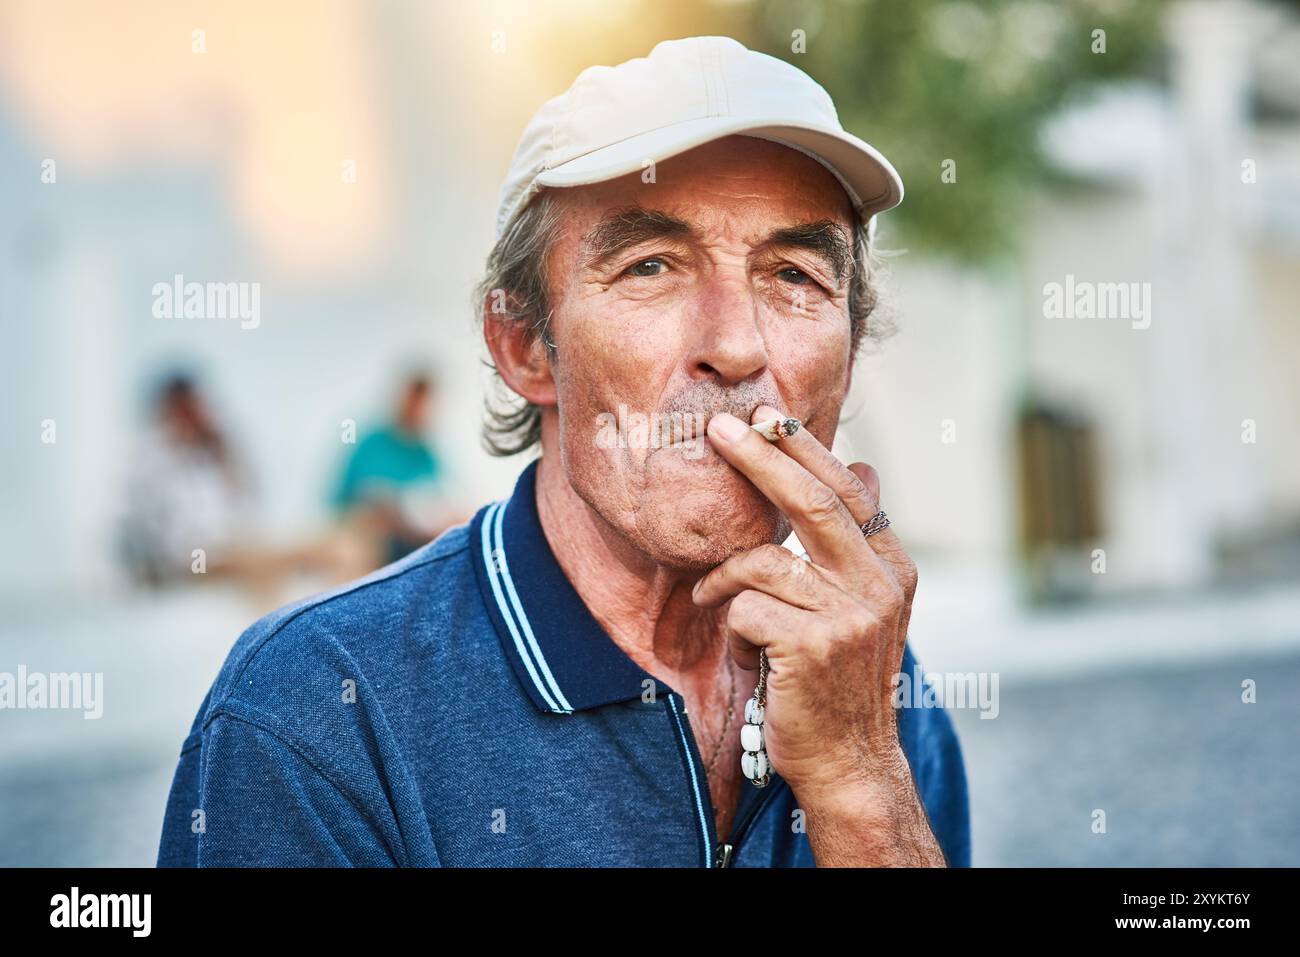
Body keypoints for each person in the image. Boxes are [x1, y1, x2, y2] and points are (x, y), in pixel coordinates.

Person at [158, 36, 971, 867]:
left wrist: (860, 782)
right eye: (650, 265)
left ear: (851, 342)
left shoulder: (865, 676)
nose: (735, 346)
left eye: (796, 275)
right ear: (525, 348)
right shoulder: (316, 713)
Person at [331, 373, 452, 564]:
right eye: (415, 403)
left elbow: (437, 500)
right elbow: (351, 497)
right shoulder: (372, 443)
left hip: (410, 538)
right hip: (367, 534)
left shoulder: (425, 453)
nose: (419, 411)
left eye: (425, 406)